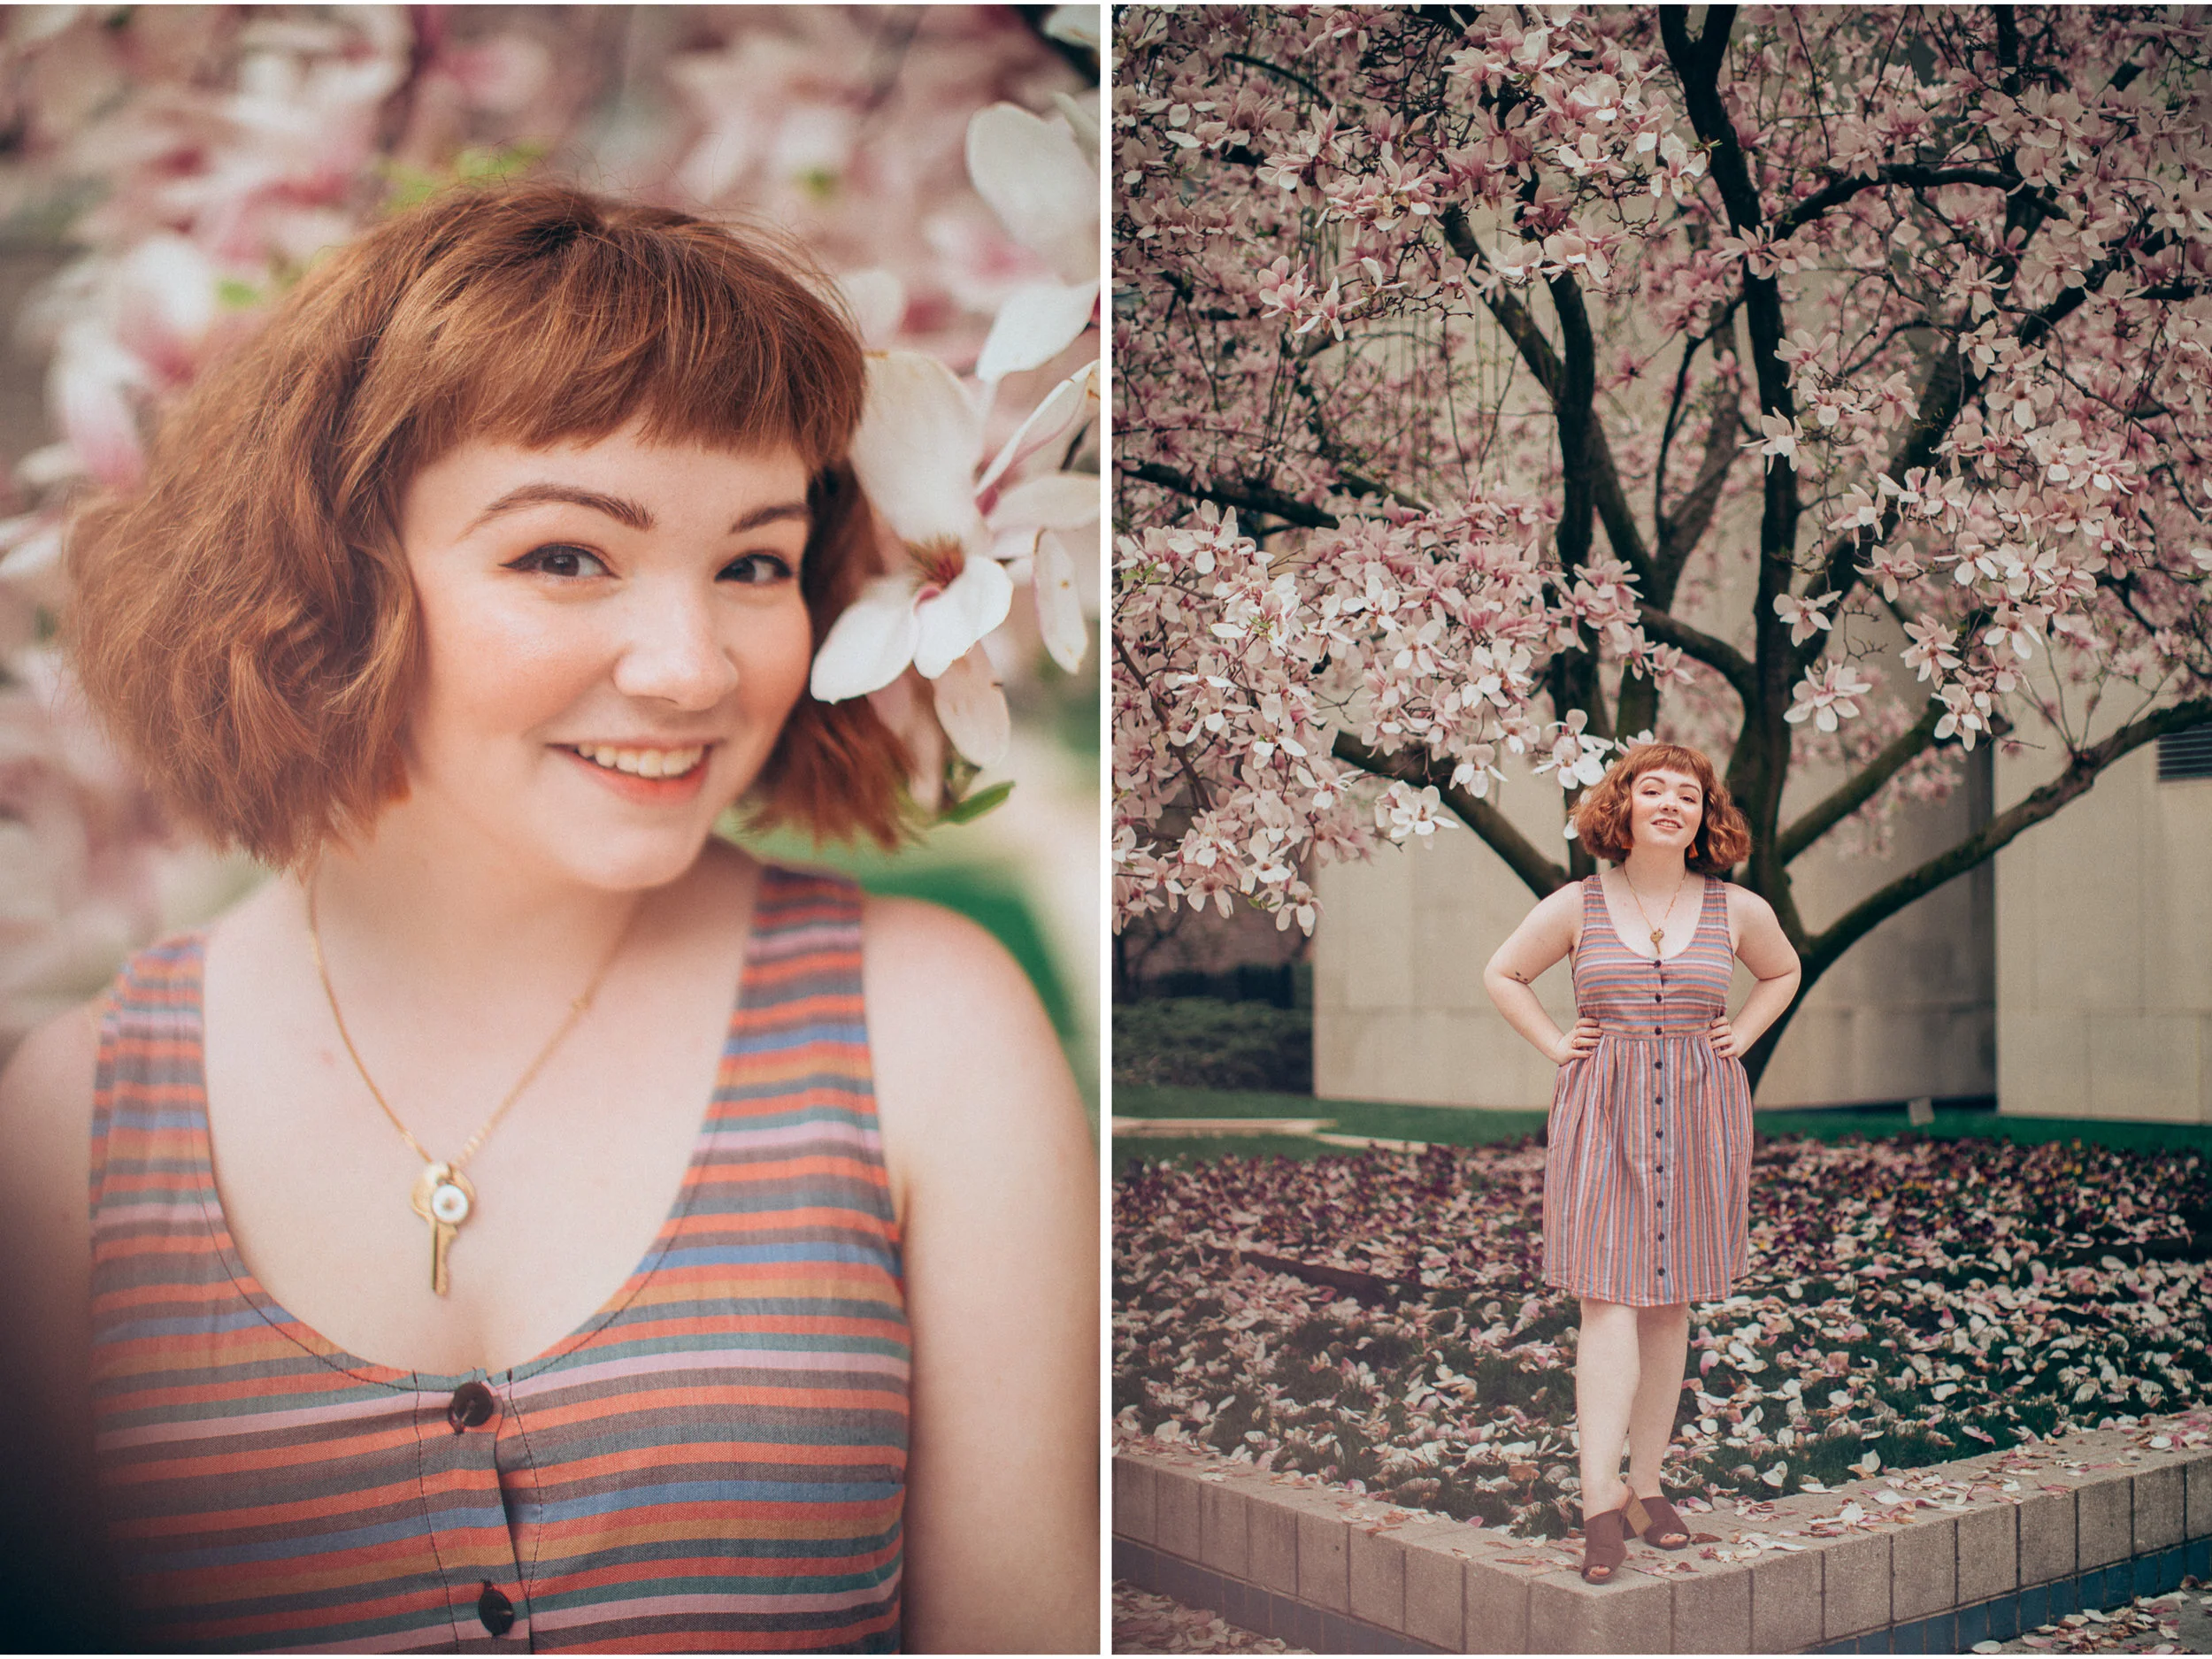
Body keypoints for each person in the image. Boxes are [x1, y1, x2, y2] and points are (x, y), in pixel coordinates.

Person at [0, 184, 1096, 1653]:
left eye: (755, 563)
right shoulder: (74, 1123)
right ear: (328, 579)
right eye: (566, 554)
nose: (693, 667)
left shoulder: (930, 1034)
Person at [1481, 742, 1800, 1585]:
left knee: (1669, 1303)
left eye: (1687, 794)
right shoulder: (1579, 904)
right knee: (1609, 1300)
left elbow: (1784, 970)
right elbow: (1503, 972)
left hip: (1701, 1119)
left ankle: (1646, 1484)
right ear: (1620, 807)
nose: (1670, 803)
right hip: (1604, 1117)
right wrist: (1557, 1042)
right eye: (1650, 789)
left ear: (1705, 815)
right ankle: (1596, 1500)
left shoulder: (1738, 909)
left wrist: (1745, 1030)